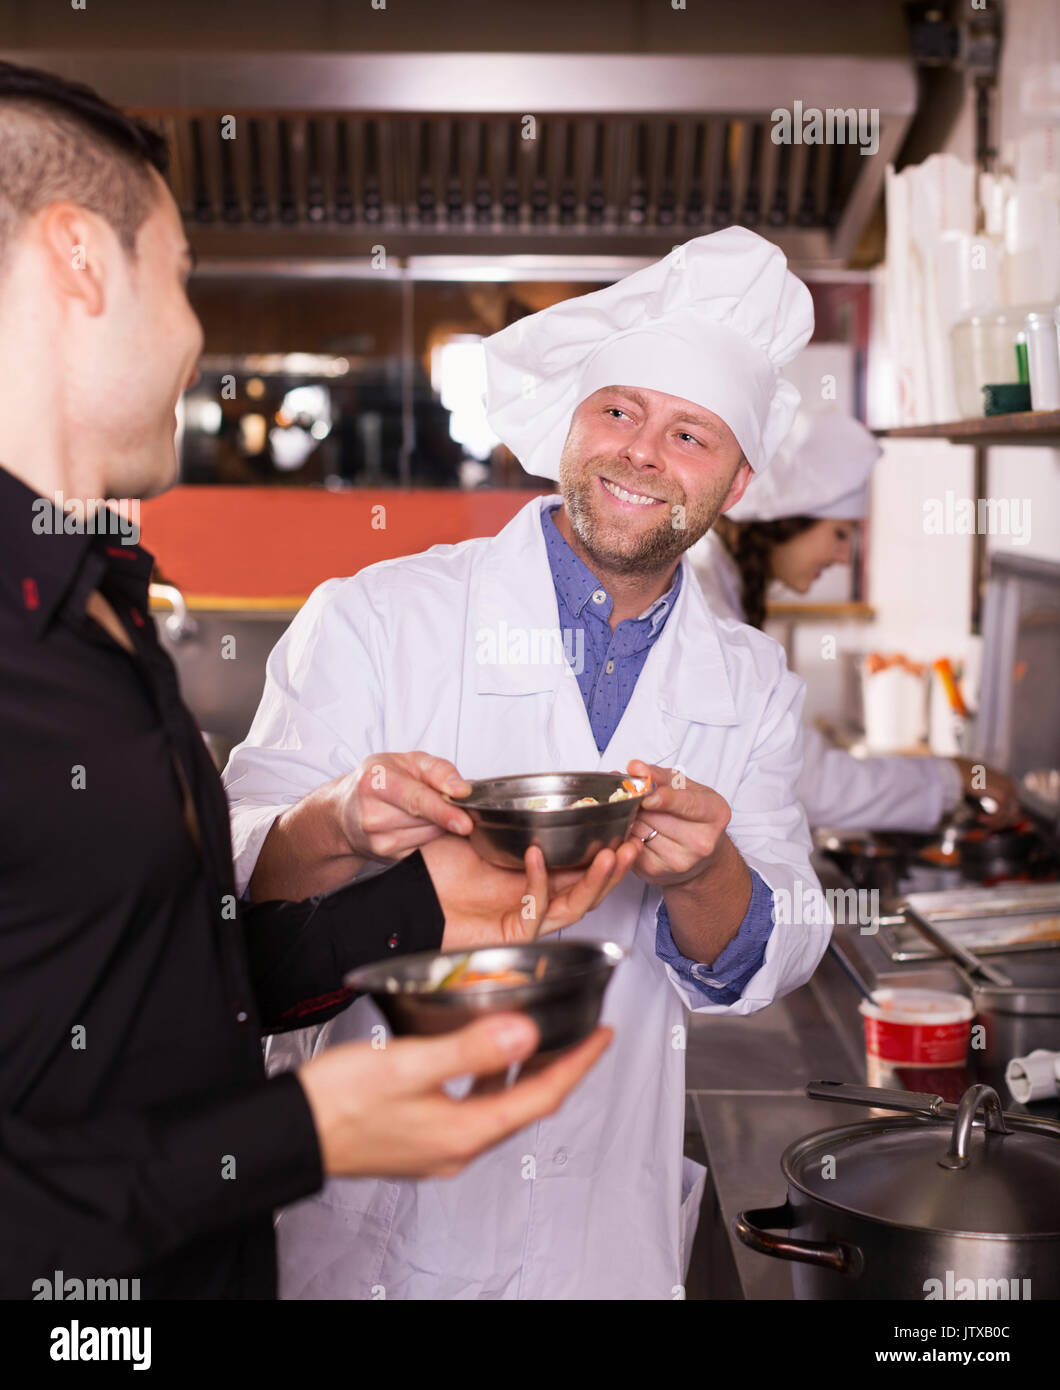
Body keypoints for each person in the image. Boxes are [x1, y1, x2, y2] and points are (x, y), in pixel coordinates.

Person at [0, 60, 632, 1301]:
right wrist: (301, 1134)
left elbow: (147, 982)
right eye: (180, 274)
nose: (193, 334)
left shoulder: (99, 596)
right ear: (79, 257)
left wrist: (415, 911)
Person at [223, 226, 834, 1300]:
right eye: (618, 411)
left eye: (691, 433)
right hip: (377, 1214)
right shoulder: (378, 616)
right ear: (571, 423)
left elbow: (776, 939)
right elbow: (231, 894)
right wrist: (339, 821)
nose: (643, 453)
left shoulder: (751, 682)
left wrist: (703, 871)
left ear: (735, 482)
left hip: (601, 1228)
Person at [687, 410, 1018, 831]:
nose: (843, 557)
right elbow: (810, 785)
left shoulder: (716, 581)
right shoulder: (710, 605)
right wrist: (956, 775)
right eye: (840, 534)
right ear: (786, 523)